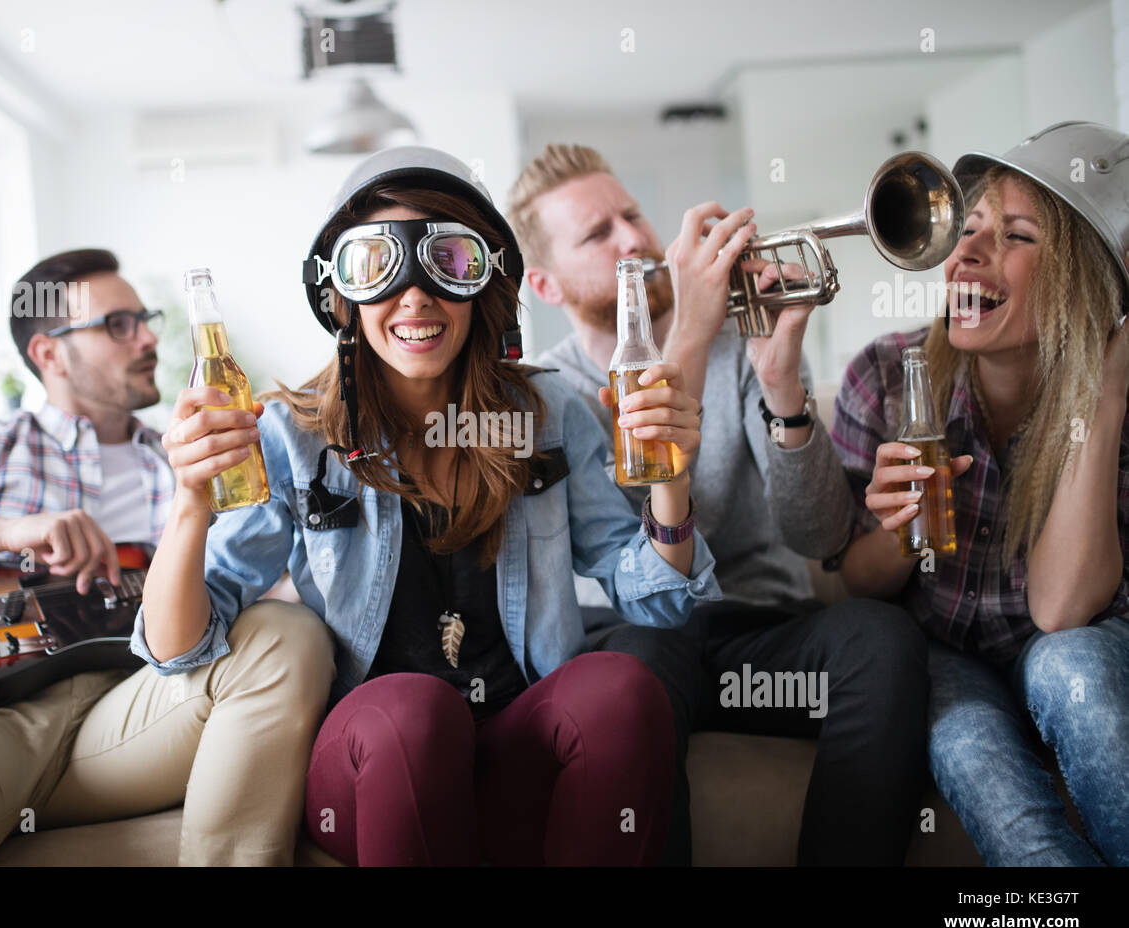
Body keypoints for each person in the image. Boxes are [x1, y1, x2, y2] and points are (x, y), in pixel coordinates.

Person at [137, 145, 721, 866]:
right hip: (375, 761)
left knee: (622, 687)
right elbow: (180, 648)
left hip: (513, 750)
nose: (414, 296)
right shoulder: (294, 437)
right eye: (376, 265)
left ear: (488, 285)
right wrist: (190, 504)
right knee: (417, 710)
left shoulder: (547, 414)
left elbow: (657, 602)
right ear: (339, 294)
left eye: (448, 261)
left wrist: (672, 476)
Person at [0, 248, 335, 866]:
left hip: (138, 710)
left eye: (144, 319)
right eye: (118, 325)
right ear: (48, 353)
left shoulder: (198, 456)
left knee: (286, 631)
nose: (149, 337)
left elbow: (241, 589)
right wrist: (6, 531)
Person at [507, 143, 930, 865]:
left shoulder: (743, 347)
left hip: (758, 634)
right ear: (545, 285)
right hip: (637, 637)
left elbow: (820, 534)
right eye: (597, 234)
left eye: (632, 215)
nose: (635, 240)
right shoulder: (547, 393)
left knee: (882, 640)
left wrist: (781, 383)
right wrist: (693, 337)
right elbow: (644, 549)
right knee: (639, 661)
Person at [829, 121, 1129, 866]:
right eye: (967, 229)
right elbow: (851, 588)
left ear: (1086, 277)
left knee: (1072, 670)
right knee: (966, 743)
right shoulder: (884, 377)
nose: (964, 253)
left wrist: (1106, 398)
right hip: (948, 651)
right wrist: (900, 532)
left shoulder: (1117, 404)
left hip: (1080, 649)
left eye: (1017, 236)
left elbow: (1062, 614)